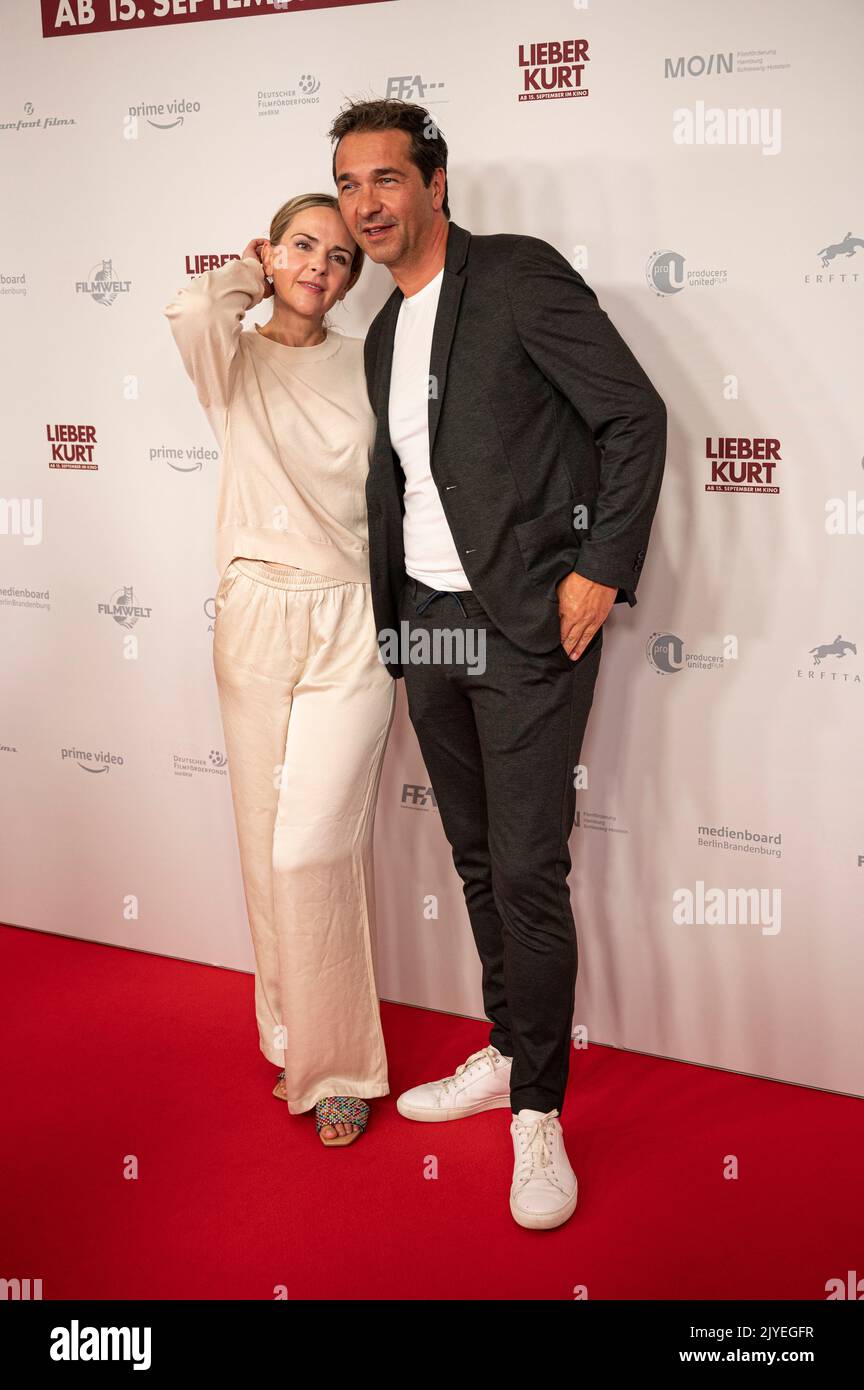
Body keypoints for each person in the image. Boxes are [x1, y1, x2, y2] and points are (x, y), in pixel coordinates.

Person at [327, 99, 667, 1222]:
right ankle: (505, 1048)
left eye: (384, 179)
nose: (364, 204)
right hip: (428, 621)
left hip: (524, 621)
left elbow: (632, 415)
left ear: (433, 182)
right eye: (346, 186)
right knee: (475, 858)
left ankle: (539, 1112)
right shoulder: (380, 330)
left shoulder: (516, 275)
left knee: (528, 870)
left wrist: (600, 567)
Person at [162, 194, 396, 1146]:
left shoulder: (368, 361)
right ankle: (290, 1035)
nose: (321, 269)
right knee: (265, 845)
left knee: (314, 845)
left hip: (354, 619)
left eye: (340, 258)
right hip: (257, 611)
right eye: (304, 246)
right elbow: (188, 312)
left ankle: (338, 1064)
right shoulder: (234, 358)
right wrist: (253, 274)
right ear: (270, 252)